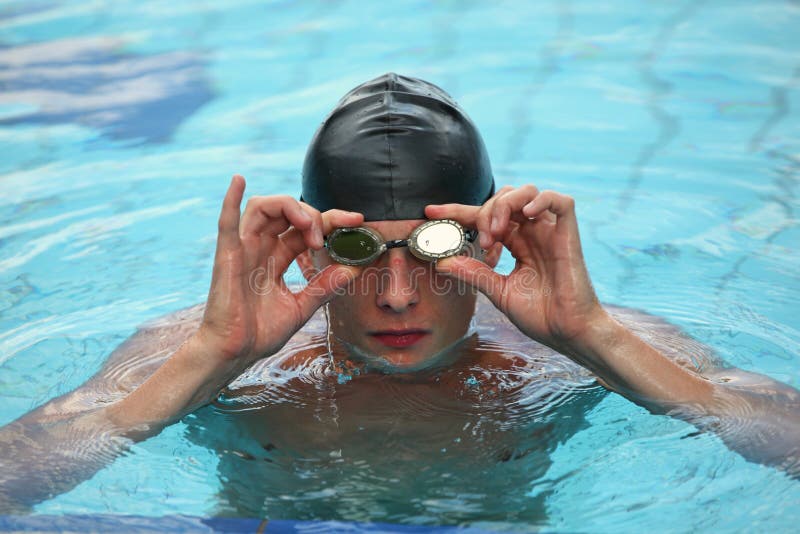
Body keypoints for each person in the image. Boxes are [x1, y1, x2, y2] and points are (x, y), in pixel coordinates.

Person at [0, 73, 798, 520]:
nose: (394, 298)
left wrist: (596, 342)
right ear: (310, 243)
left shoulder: (580, 346)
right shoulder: (210, 350)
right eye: (357, 252)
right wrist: (207, 364)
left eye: (433, 252)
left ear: (488, 240)